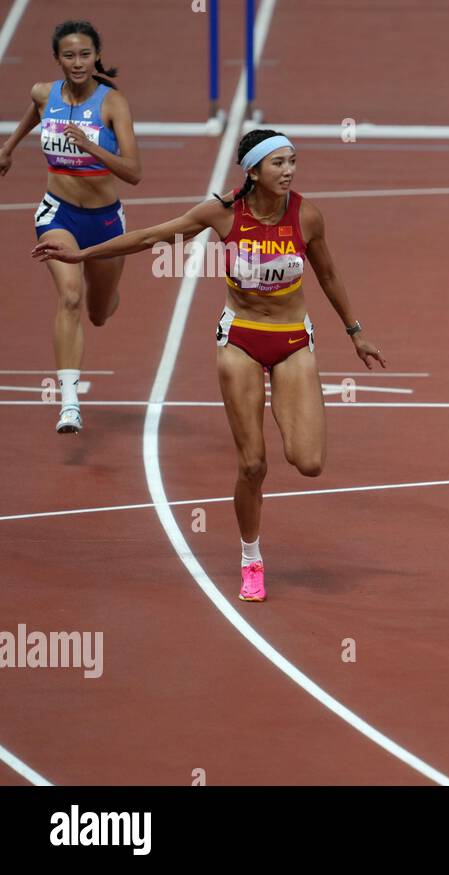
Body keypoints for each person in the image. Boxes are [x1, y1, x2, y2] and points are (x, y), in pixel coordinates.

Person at [34, 130, 387, 603]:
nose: (289, 171)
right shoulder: (222, 213)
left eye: (293, 162)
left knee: (309, 462)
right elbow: (149, 236)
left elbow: (327, 274)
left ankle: (288, 414)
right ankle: (251, 559)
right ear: (254, 170)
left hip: (292, 341)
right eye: (279, 163)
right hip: (240, 339)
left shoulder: (307, 215)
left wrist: (355, 331)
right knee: (253, 463)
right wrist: (82, 254)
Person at [0, 20, 140, 434]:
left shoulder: (113, 104)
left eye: (84, 55)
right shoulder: (46, 94)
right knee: (69, 296)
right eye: (68, 55)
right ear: (57, 59)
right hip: (57, 214)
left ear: (96, 56)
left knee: (98, 312)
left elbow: (134, 172)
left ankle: (109, 293)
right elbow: (35, 109)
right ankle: (70, 403)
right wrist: (8, 148)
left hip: (105, 220)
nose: (77, 63)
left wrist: (91, 146)